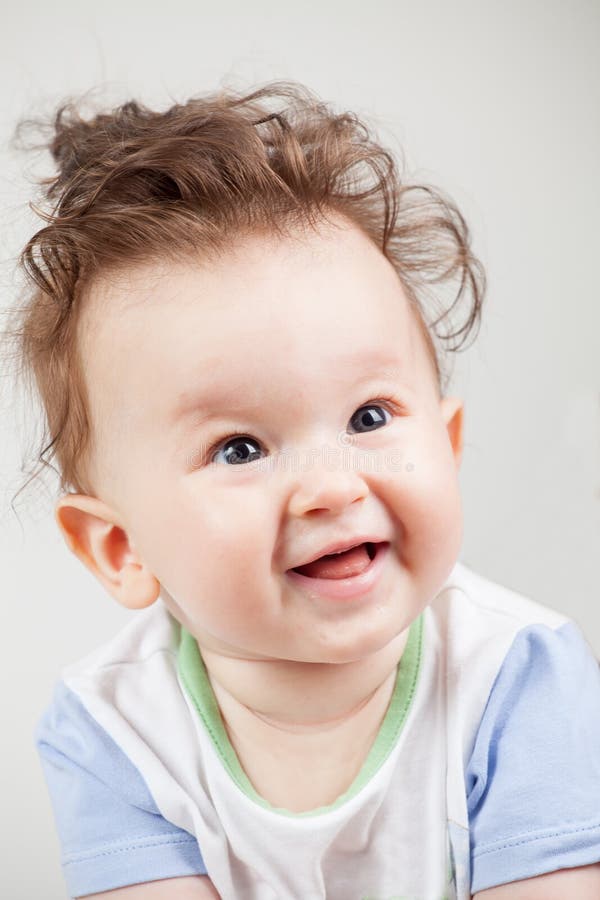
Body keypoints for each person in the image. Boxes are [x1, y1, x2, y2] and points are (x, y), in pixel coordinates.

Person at [7, 79, 600, 900]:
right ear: (121, 548)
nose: (329, 486)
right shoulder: (111, 729)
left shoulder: (517, 674)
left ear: (446, 444)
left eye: (368, 416)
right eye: (240, 448)